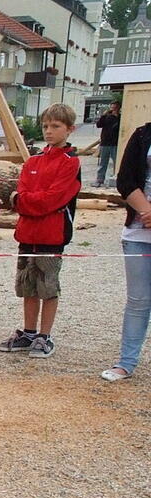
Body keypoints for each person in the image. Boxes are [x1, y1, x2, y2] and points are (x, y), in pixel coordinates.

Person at [0, 103, 81, 359]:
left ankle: (45, 335)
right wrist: (25, 201)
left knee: (48, 287)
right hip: (27, 234)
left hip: (51, 235)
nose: (49, 131)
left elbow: (52, 199)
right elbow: (20, 193)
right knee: (27, 286)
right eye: (46, 126)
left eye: (55, 126)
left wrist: (25, 202)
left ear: (69, 129)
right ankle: (29, 331)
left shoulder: (71, 163)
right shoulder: (33, 161)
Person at [102, 117, 151, 381]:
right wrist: (147, 210)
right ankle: (126, 362)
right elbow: (126, 179)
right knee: (138, 302)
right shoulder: (143, 135)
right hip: (138, 232)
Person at [96, 100, 121, 187]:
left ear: (118, 108)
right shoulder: (106, 117)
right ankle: (100, 179)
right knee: (103, 162)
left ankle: (116, 177)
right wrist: (103, 115)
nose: (113, 109)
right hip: (105, 143)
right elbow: (98, 125)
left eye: (115, 107)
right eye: (112, 107)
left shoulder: (120, 118)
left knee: (116, 162)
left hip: (115, 143)